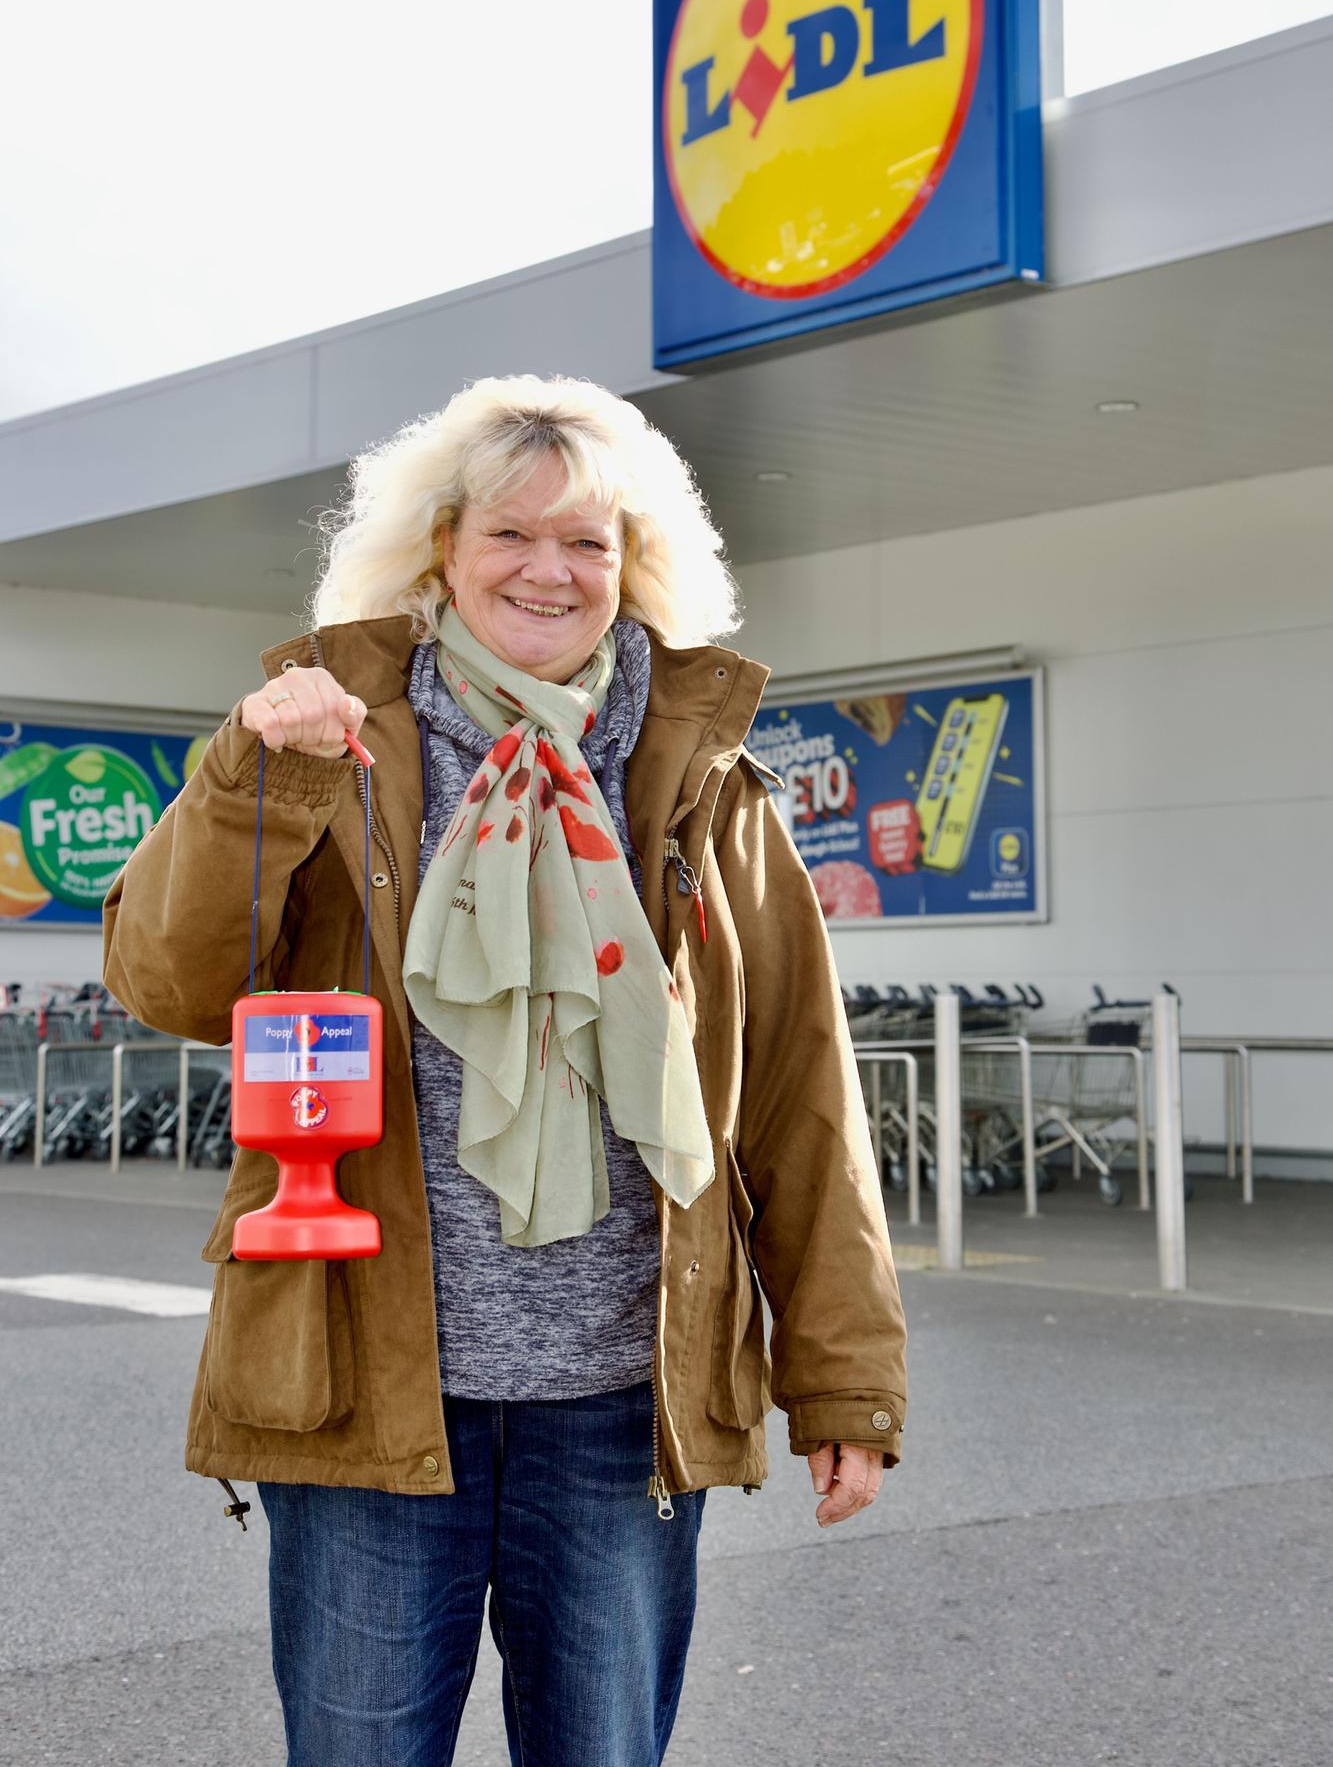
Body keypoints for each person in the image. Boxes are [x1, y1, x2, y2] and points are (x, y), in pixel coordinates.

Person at [102, 374, 907, 1767]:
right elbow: (170, 984)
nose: (550, 569)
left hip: (620, 1392)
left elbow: (797, 1097)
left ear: (632, 563)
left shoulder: (702, 776)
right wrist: (250, 779)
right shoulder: (329, 737)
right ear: (442, 549)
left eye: (588, 541)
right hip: (363, 1373)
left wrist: (843, 1381)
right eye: (511, 535)